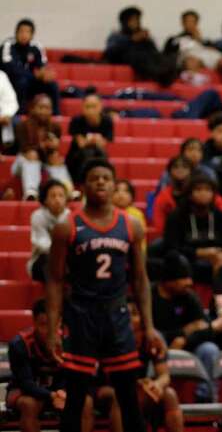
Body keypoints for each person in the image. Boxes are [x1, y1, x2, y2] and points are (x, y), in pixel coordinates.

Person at [46, 159, 163, 432]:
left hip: (117, 313)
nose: (100, 182)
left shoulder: (132, 225)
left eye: (106, 178)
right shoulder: (67, 226)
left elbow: (140, 279)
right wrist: (53, 329)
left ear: (113, 185)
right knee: (75, 397)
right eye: (94, 177)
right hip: (81, 314)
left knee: (128, 396)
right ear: (82, 186)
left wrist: (149, 326)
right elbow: (53, 280)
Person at [151, 253, 222, 402]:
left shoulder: (188, 296)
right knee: (156, 337)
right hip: (156, 349)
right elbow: (150, 333)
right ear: (168, 281)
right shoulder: (150, 296)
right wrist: (182, 331)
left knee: (209, 349)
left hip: (187, 346)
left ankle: (206, 397)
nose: (189, 282)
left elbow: (207, 330)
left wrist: (185, 339)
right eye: (183, 278)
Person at [97, 310, 183, 432]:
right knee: (121, 395)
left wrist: (156, 384)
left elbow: (165, 375)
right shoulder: (107, 337)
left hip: (136, 387)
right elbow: (106, 377)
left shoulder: (152, 340)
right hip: (105, 389)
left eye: (138, 331)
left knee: (169, 395)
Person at [7, 298, 74, 432]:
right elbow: (26, 383)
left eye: (54, 324)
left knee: (81, 403)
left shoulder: (68, 342)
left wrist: (62, 392)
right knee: (29, 404)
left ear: (60, 322)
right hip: (23, 391)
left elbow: (68, 378)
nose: (49, 331)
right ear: (34, 323)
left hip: (57, 391)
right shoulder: (19, 344)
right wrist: (52, 396)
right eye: (43, 324)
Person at [162, 173, 222, 284]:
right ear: (190, 193)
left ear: (213, 194)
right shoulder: (176, 217)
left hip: (217, 261)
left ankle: (219, 297)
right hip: (188, 261)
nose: (203, 193)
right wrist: (199, 253)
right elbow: (171, 247)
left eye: (208, 190)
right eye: (198, 189)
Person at [102, 7, 179, 88]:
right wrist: (131, 39)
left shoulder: (142, 36)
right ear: (125, 22)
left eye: (137, 20)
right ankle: (160, 75)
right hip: (128, 59)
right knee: (138, 55)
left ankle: (164, 73)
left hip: (147, 60)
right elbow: (109, 52)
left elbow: (155, 52)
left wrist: (147, 40)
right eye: (133, 20)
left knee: (166, 54)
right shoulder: (116, 35)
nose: (136, 23)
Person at [1, 19, 59, 113]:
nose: (24, 34)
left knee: (52, 85)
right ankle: (19, 113)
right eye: (21, 31)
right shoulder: (8, 45)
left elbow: (42, 66)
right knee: (21, 82)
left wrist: (45, 74)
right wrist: (34, 75)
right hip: (11, 83)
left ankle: (56, 114)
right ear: (16, 32)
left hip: (30, 82)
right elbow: (10, 68)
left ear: (32, 35)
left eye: (27, 32)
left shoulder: (36, 46)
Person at [12, 125, 71, 202]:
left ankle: (66, 191)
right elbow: (15, 168)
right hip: (21, 165)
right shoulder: (24, 132)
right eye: (44, 139)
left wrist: (52, 152)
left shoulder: (54, 154)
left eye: (49, 139)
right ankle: (31, 193)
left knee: (56, 162)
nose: (47, 142)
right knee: (32, 158)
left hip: (46, 167)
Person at [65, 94, 114, 184]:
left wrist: (90, 140)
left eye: (94, 106)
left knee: (102, 154)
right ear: (82, 107)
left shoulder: (107, 121)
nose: (91, 110)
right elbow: (81, 144)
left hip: (98, 154)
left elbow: (103, 143)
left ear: (100, 106)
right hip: (77, 157)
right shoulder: (76, 120)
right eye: (88, 107)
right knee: (87, 153)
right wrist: (95, 139)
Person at [29, 179, 70, 282]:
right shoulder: (38, 216)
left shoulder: (70, 216)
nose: (57, 200)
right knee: (49, 262)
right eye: (53, 196)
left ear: (66, 199)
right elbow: (42, 243)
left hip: (66, 259)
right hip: (41, 260)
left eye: (61, 196)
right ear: (45, 199)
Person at [112, 180, 147, 249]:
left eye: (126, 191)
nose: (120, 194)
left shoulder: (137, 214)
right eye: (116, 190)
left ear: (132, 196)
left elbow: (141, 242)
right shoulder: (106, 213)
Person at [0, 69, 17, 152]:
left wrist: (6, 115)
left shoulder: (1, 76)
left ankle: (9, 153)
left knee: (16, 122)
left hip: (2, 115)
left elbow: (11, 100)